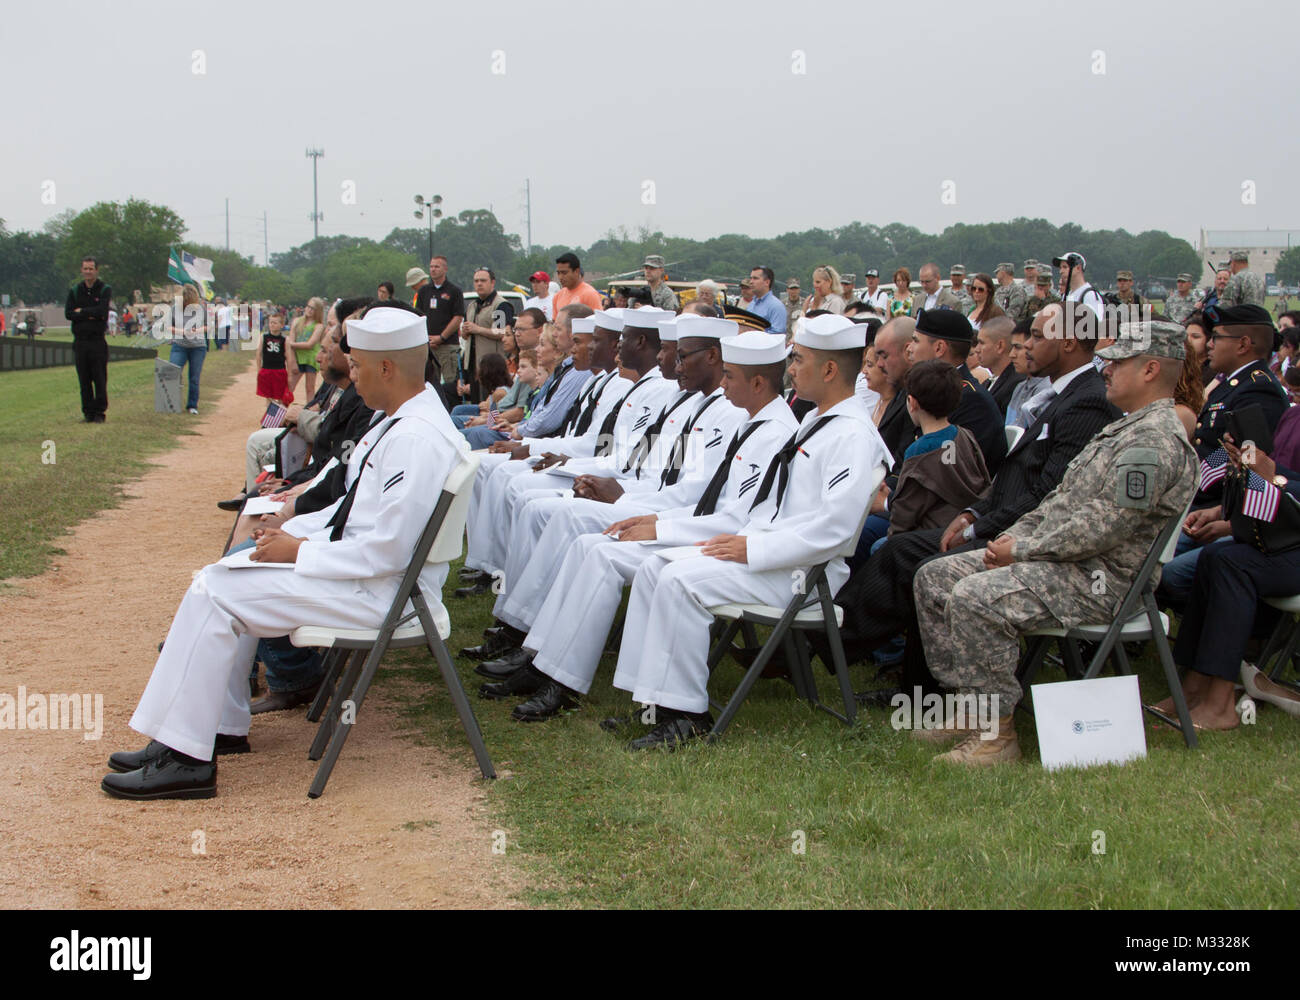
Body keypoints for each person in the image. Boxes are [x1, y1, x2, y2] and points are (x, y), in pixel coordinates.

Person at [101, 305, 470, 799]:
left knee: (214, 590)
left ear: (387, 368)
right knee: (222, 573)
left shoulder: (417, 438)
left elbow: (390, 550)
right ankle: (209, 730)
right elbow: (351, 511)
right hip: (365, 578)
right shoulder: (399, 420)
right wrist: (292, 530)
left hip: (384, 595)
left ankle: (187, 757)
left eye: (357, 364)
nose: (349, 372)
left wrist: (299, 552)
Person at [910, 319, 1197, 763]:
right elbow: (1058, 502)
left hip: (1101, 579)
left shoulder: (1152, 442)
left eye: (1118, 362)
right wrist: (1012, 536)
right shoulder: (1124, 429)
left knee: (975, 596)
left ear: (1151, 370)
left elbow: (1106, 528)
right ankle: (974, 706)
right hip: (1060, 562)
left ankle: (998, 736)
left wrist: (1020, 551)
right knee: (935, 576)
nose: (1106, 369)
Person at [603, 314, 892, 748]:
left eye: (799, 360)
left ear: (829, 370)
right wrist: (743, 542)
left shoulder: (852, 434)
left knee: (679, 581)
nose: (790, 369)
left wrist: (752, 549)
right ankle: (652, 704)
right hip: (771, 552)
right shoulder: (820, 419)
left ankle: (685, 717)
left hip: (802, 574)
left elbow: (833, 530)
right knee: (654, 568)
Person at [494, 331, 802, 716]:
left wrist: (653, 522)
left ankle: (562, 678)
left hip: (718, 538)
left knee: (600, 550)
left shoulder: (759, 427)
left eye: (730, 376)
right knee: (590, 545)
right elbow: (653, 466)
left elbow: (722, 510)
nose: (667, 362)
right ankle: (541, 659)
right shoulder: (739, 416)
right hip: (682, 515)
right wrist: (645, 513)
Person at [836, 302, 1118, 697]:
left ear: (1068, 342)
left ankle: (832, 646)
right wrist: (973, 513)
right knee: (903, 551)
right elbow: (1013, 479)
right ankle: (849, 652)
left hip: (1022, 537)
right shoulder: (1065, 394)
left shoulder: (1087, 401)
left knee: (908, 555)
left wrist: (978, 526)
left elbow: (1050, 492)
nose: (1028, 344)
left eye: (1037, 336)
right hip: (997, 519)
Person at [885, 360, 990, 536]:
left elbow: (905, 511)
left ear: (912, 403)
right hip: (964, 523)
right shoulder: (966, 435)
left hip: (930, 531)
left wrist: (892, 538)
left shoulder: (919, 451)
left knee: (876, 546)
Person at [1190, 304, 1287, 459]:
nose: (1209, 344)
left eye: (1216, 337)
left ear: (1243, 345)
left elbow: (1250, 463)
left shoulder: (1259, 390)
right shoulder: (1236, 384)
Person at [64, 256, 112, 423]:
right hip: (80, 341)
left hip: (97, 341)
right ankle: (88, 412)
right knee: (84, 379)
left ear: (96, 270)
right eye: (85, 269)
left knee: (99, 377)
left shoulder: (104, 289)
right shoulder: (75, 291)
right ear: (81, 270)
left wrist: (81, 312)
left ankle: (99, 412)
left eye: (91, 269)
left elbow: (102, 313)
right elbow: (68, 314)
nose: (88, 272)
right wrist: (90, 314)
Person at [415, 255, 465, 406]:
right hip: (429, 345)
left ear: (445, 269)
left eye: (437, 266)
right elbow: (418, 316)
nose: (433, 269)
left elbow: (458, 317)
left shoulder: (454, 291)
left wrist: (441, 337)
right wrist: (427, 338)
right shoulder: (424, 291)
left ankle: (451, 410)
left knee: (450, 383)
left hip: (447, 345)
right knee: (430, 383)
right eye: (431, 266)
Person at [168, 284, 209, 415]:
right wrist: (181, 331)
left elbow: (208, 326)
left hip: (198, 347)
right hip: (179, 345)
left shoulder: (201, 309)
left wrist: (196, 331)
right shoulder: (175, 309)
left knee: (194, 378)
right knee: (173, 370)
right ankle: (172, 402)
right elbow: (168, 326)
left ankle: (192, 405)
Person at [973, 316, 1025, 416]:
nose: (977, 349)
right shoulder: (988, 382)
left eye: (981, 343)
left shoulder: (1015, 385)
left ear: (1000, 346)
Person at [1004, 320, 1049, 428]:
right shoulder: (1019, 388)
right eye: (1012, 348)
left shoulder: (1047, 391)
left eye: (1018, 347)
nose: (1012, 355)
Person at [254, 309, 297, 415]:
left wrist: (290, 374)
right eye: (270, 322)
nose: (272, 325)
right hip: (267, 370)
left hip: (280, 371)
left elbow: (289, 357)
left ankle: (279, 417)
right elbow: (258, 354)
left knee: (280, 396)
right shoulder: (264, 337)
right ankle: (269, 417)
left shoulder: (284, 340)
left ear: (281, 325)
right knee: (269, 397)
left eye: (275, 323)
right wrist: (259, 370)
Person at [288, 297, 327, 400]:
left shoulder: (319, 326)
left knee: (310, 388)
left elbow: (310, 344)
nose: (309, 310)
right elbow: (291, 341)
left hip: (310, 359)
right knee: (290, 386)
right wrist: (292, 361)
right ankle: (280, 412)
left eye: (313, 308)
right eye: (308, 307)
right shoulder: (296, 321)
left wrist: (291, 343)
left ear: (317, 311)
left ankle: (308, 412)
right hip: (298, 358)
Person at [1052, 250, 1105, 321]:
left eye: (1065, 267)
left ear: (1078, 268)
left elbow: (1096, 325)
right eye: (1060, 268)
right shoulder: (1066, 295)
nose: (1061, 271)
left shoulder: (1090, 295)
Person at [744, 266, 787, 334]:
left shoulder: (776, 306)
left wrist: (754, 333)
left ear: (767, 282)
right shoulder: (751, 305)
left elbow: (777, 335)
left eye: (755, 278)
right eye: (751, 278)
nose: (751, 282)